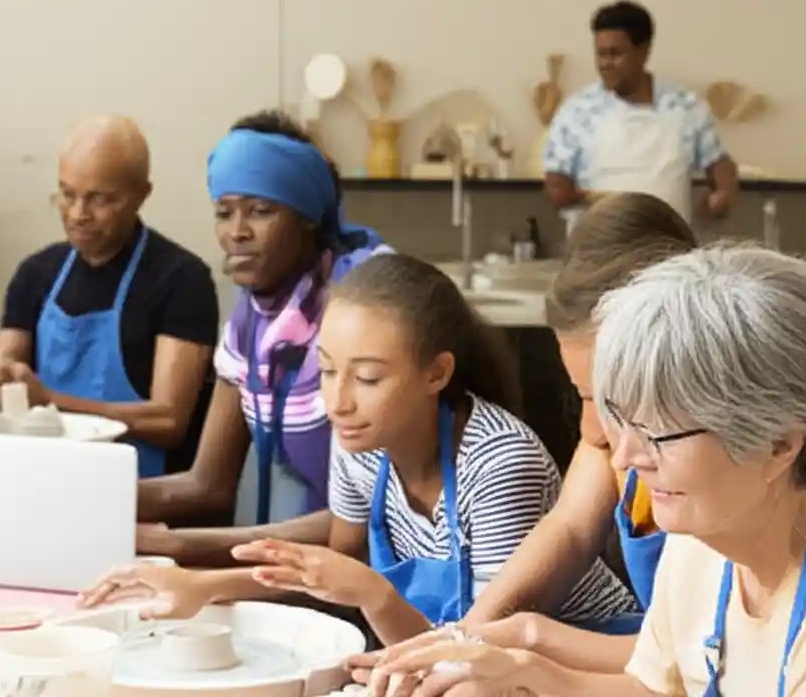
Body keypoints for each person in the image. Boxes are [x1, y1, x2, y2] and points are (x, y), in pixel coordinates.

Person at [361, 246, 806, 696]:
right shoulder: (713, 527)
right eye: (621, 421)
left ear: (780, 445)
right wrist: (529, 675)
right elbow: (660, 685)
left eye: (660, 433)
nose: (628, 457)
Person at [81, 253, 636, 645]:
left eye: (368, 378)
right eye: (325, 371)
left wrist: (374, 595)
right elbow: (337, 568)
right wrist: (199, 586)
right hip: (452, 661)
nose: (337, 402)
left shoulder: (497, 463)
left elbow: (481, 649)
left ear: (437, 372)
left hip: (576, 664)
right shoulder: (360, 446)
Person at [444, 194, 696, 662]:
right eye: (581, 394)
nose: (592, 428)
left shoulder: (727, 461)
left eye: (606, 400)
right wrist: (464, 637)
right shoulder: (610, 437)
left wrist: (530, 640)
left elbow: (705, 656)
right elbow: (571, 530)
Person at [135, 110, 389, 559]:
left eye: (261, 210)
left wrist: (181, 544)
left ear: (308, 217)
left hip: (376, 574)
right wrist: (82, 499)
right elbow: (207, 484)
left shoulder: (361, 311)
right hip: (308, 565)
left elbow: (370, 517)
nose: (237, 232)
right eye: (224, 212)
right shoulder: (250, 322)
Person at [0, 115, 218, 478]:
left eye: (100, 199)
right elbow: (3, 362)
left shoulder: (181, 280)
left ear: (142, 195)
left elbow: (169, 420)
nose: (79, 214)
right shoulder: (38, 273)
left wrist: (50, 402)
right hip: (45, 474)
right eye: (67, 194)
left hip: (137, 491)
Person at [542, 0, 738, 231]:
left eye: (614, 54)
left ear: (643, 51)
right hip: (599, 249)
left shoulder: (684, 106)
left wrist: (723, 192)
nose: (605, 64)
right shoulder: (577, 111)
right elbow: (557, 181)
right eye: (600, 54)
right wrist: (569, 194)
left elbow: (719, 163)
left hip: (669, 246)